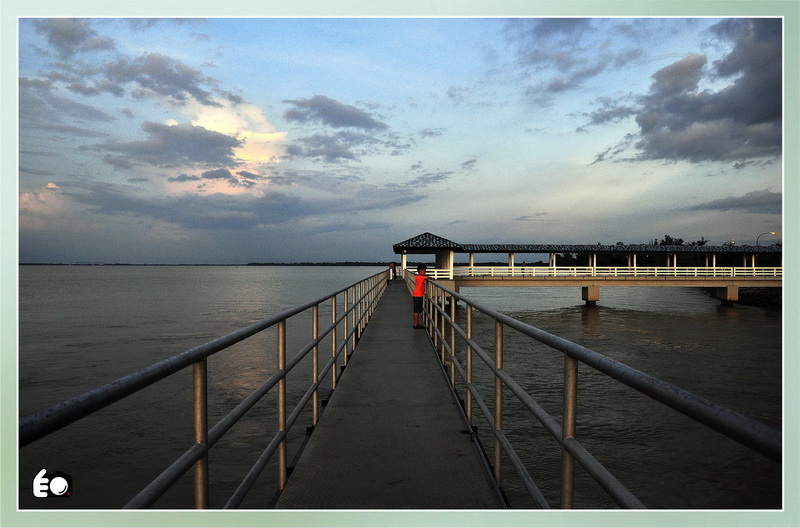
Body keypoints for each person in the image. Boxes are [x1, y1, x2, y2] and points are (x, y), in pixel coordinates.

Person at [412, 264, 428, 329]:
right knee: (416, 311)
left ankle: (416, 323)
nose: (425, 272)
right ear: (420, 270)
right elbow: (426, 277)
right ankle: (415, 324)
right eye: (424, 271)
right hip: (417, 296)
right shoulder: (419, 277)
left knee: (418, 310)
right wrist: (429, 277)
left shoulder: (419, 277)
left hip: (418, 295)